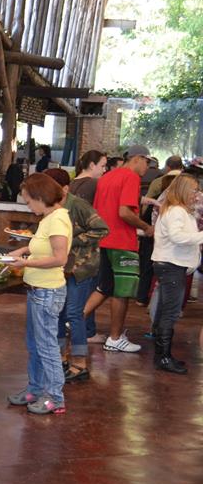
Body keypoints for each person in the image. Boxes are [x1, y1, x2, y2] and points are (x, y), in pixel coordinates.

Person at [8, 174, 72, 415]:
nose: (28, 206)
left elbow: (59, 258)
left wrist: (25, 263)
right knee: (34, 344)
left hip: (47, 292)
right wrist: (23, 250)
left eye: (28, 201)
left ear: (40, 196)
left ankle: (55, 397)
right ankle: (35, 389)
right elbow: (41, 245)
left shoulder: (57, 220)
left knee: (47, 347)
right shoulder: (48, 218)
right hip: (38, 291)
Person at [82, 145, 153, 352]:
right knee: (122, 291)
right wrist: (146, 227)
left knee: (105, 287)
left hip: (103, 239)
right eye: (147, 162)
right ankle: (115, 338)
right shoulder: (131, 177)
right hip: (121, 241)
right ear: (137, 158)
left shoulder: (107, 177)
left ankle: (74, 320)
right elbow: (124, 212)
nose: (147, 167)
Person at [43, 168, 109, 383]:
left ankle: (79, 364)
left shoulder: (78, 205)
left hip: (81, 268)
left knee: (74, 314)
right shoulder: (51, 206)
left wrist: (73, 240)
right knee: (59, 313)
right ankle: (61, 358)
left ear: (64, 188)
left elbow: (102, 229)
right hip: (62, 267)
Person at [150, 174, 203, 374]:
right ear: (183, 190)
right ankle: (163, 357)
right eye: (194, 190)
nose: (197, 195)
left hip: (171, 265)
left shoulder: (176, 210)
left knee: (165, 310)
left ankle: (162, 355)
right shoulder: (176, 211)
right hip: (172, 265)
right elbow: (177, 236)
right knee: (170, 312)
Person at [137, 156, 185, 305]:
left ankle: (142, 297)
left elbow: (146, 206)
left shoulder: (158, 183)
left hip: (153, 235)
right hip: (172, 244)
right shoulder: (185, 190)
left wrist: (146, 226)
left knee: (147, 266)